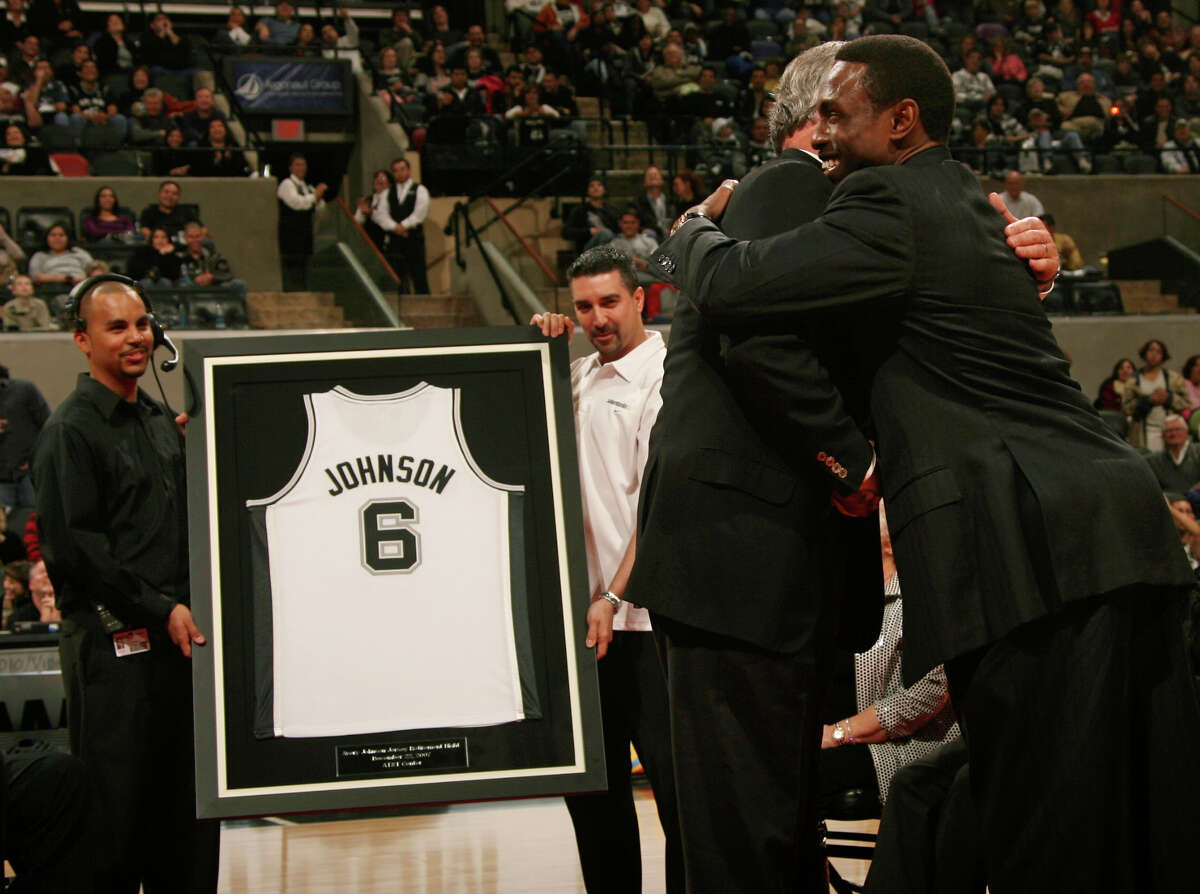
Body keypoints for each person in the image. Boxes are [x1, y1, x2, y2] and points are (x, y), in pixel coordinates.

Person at [654, 34, 1199, 893]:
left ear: (901, 120)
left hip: (1029, 544)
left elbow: (736, 287)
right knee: (1129, 808)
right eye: (816, 113)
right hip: (1101, 531)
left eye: (837, 112)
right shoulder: (972, 203)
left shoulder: (882, 201)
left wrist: (687, 231)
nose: (818, 132)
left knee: (1043, 818)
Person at [628, 42, 884, 893]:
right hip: (746, 554)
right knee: (751, 821)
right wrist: (851, 460)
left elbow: (676, 283)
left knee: (745, 816)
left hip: (739, 559)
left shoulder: (740, 201)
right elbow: (756, 341)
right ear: (820, 118)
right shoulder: (790, 182)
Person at [33, 275, 219, 892]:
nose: (136, 338)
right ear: (82, 340)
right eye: (117, 327)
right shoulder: (70, 431)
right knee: (117, 827)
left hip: (176, 647)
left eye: (142, 324)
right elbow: (78, 551)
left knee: (186, 821)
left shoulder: (163, 420)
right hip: (116, 655)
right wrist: (160, 606)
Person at [529, 245, 682, 894]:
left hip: (650, 626)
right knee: (594, 802)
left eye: (609, 302)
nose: (596, 318)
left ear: (642, 299)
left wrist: (615, 596)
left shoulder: (669, 376)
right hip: (585, 628)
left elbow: (660, 508)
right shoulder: (572, 379)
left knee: (681, 805)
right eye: (583, 306)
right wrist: (529, 350)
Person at [1123, 338, 1189, 451]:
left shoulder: (1172, 378)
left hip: (1169, 429)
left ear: (1163, 356)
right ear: (1144, 353)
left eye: (1158, 352)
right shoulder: (1133, 380)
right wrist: (1147, 400)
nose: (1154, 355)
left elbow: (1186, 402)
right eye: (1151, 350)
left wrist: (1168, 398)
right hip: (1143, 432)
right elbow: (1126, 407)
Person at [276, 153, 326, 291]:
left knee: (305, 265)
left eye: (303, 165)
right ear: (291, 168)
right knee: (292, 266)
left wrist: (316, 197)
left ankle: (305, 289)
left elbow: (321, 207)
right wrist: (315, 196)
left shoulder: (307, 187)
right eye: (297, 164)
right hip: (291, 234)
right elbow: (296, 203)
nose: (301, 168)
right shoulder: (287, 184)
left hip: (305, 233)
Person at [386, 157, 429, 294]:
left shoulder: (419, 189)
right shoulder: (389, 192)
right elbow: (382, 213)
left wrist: (403, 226)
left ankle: (424, 304)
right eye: (396, 171)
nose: (399, 173)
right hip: (395, 238)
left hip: (413, 236)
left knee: (418, 274)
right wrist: (395, 227)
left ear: (409, 170)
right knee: (398, 274)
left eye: (402, 169)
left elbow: (419, 214)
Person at [178, 220, 248, 300]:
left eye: (198, 236)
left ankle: (235, 311)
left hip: (214, 289)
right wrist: (196, 278)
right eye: (191, 237)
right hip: (193, 291)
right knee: (184, 286)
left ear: (202, 237)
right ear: (185, 238)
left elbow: (228, 274)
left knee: (240, 284)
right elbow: (177, 278)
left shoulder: (214, 255)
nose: (195, 240)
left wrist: (212, 277)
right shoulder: (179, 257)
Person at [563, 177, 621, 252]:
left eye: (599, 185)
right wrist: (589, 231)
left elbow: (619, 230)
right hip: (588, 250)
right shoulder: (580, 210)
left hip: (611, 244)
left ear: (604, 190)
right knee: (606, 233)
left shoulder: (612, 210)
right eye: (591, 186)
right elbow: (566, 232)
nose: (595, 188)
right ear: (587, 191)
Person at [1146, 414, 1200, 493]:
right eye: (1169, 431)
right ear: (1163, 435)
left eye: (1177, 429)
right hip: (1170, 502)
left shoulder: (1198, 451)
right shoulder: (1155, 460)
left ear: (1186, 431)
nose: (1173, 434)